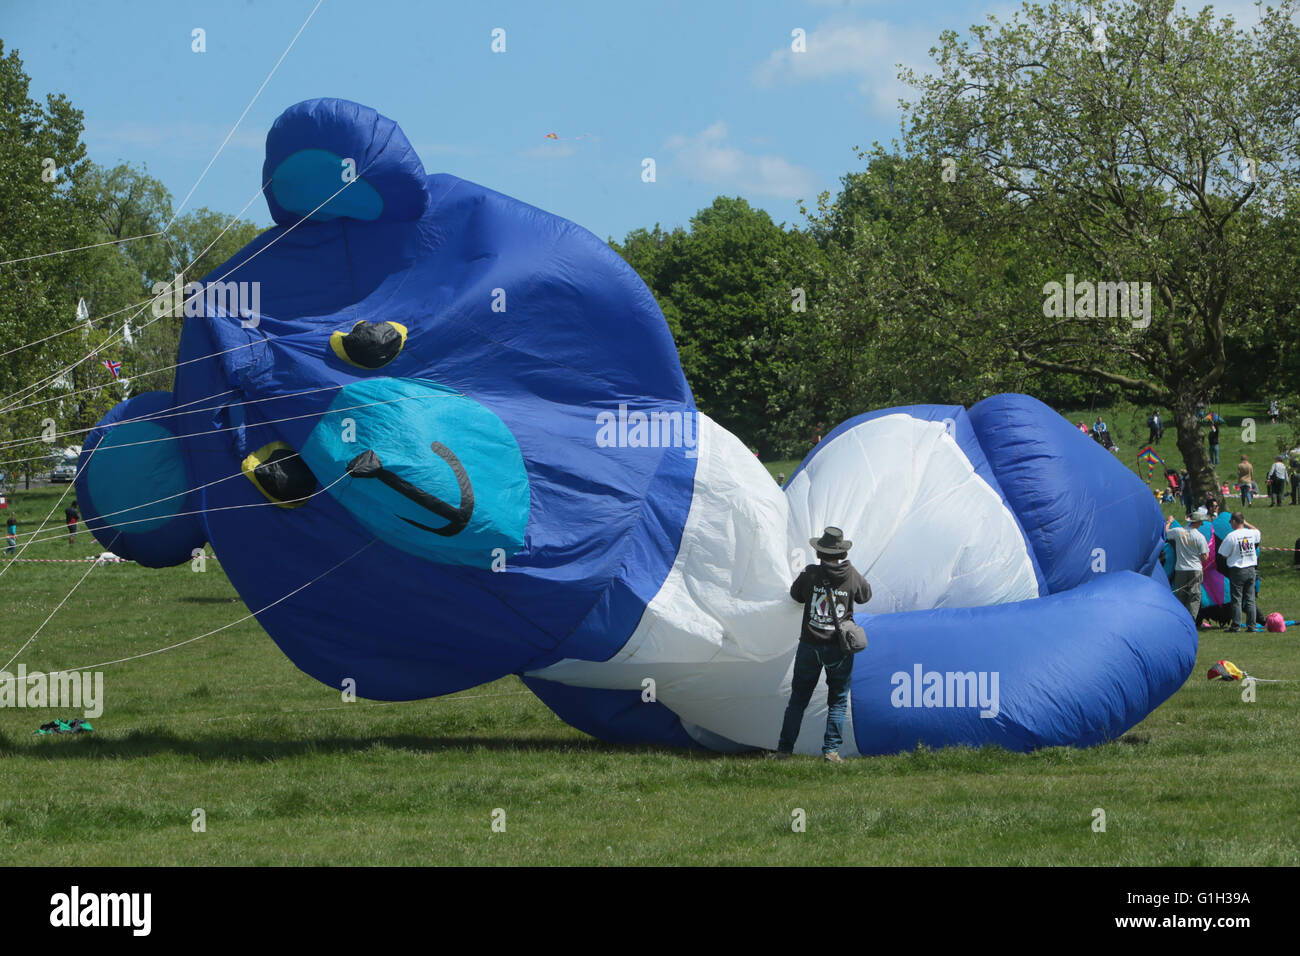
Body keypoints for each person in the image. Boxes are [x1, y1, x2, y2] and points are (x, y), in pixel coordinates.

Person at [775, 526, 871, 763]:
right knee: (837, 700)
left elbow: (796, 596)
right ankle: (831, 751)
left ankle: (784, 751)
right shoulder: (851, 574)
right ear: (842, 553)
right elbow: (865, 595)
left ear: (819, 553)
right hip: (839, 648)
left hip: (810, 645)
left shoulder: (810, 574)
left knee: (798, 699)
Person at [1218, 513, 1261, 633]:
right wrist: (1245, 522)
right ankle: (1252, 626)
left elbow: (1223, 554)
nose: (1230, 524)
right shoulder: (1251, 533)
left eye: (1231, 522)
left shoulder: (1231, 536)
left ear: (1234, 521)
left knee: (1236, 598)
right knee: (1250, 599)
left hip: (1238, 569)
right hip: (1251, 568)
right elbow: (1257, 530)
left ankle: (1236, 625)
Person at [1165, 510, 1209, 620]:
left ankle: (1180, 619)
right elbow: (1205, 556)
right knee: (1194, 596)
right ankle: (1191, 620)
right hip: (1195, 569)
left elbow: (1165, 533)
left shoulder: (1178, 531)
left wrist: (1169, 522)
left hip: (1180, 568)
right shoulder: (1200, 537)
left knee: (1181, 595)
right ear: (1198, 522)